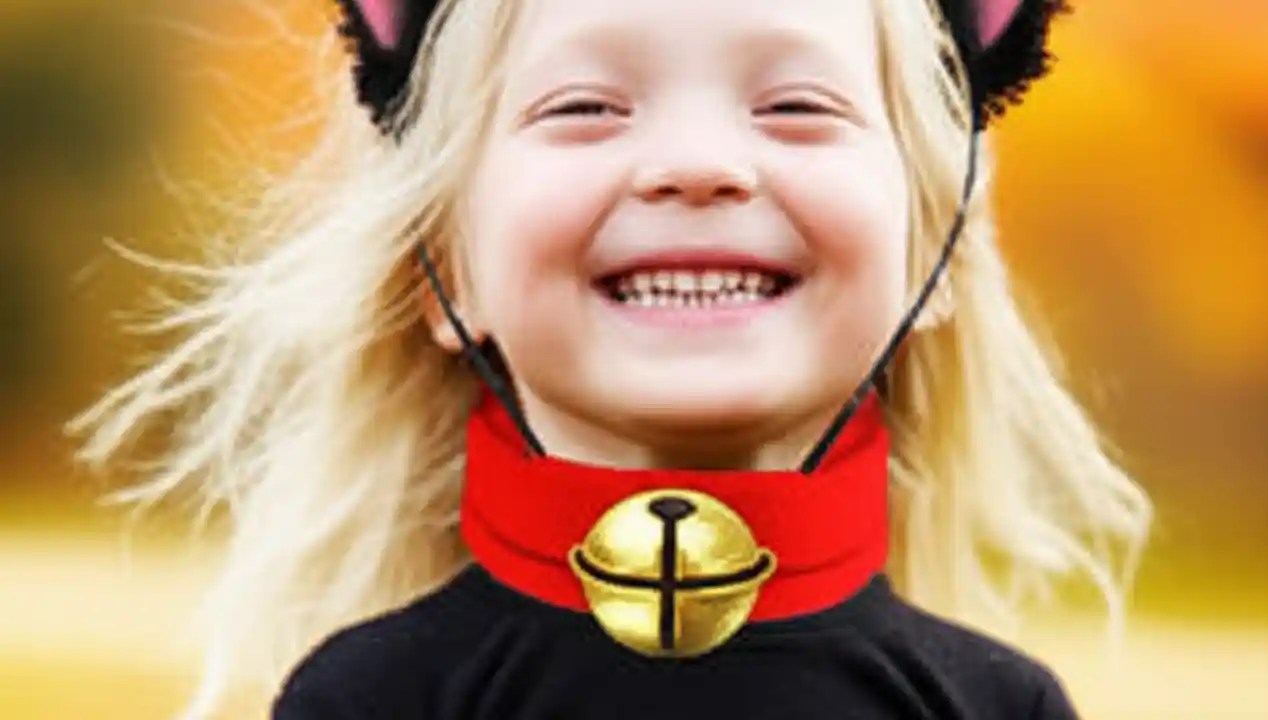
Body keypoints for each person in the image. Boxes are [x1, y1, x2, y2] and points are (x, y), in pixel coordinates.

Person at [71, 0, 1152, 716]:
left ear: (937, 254)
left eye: (793, 107)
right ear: (437, 269)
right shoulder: (371, 700)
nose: (695, 165)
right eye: (585, 108)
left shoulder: (993, 708)